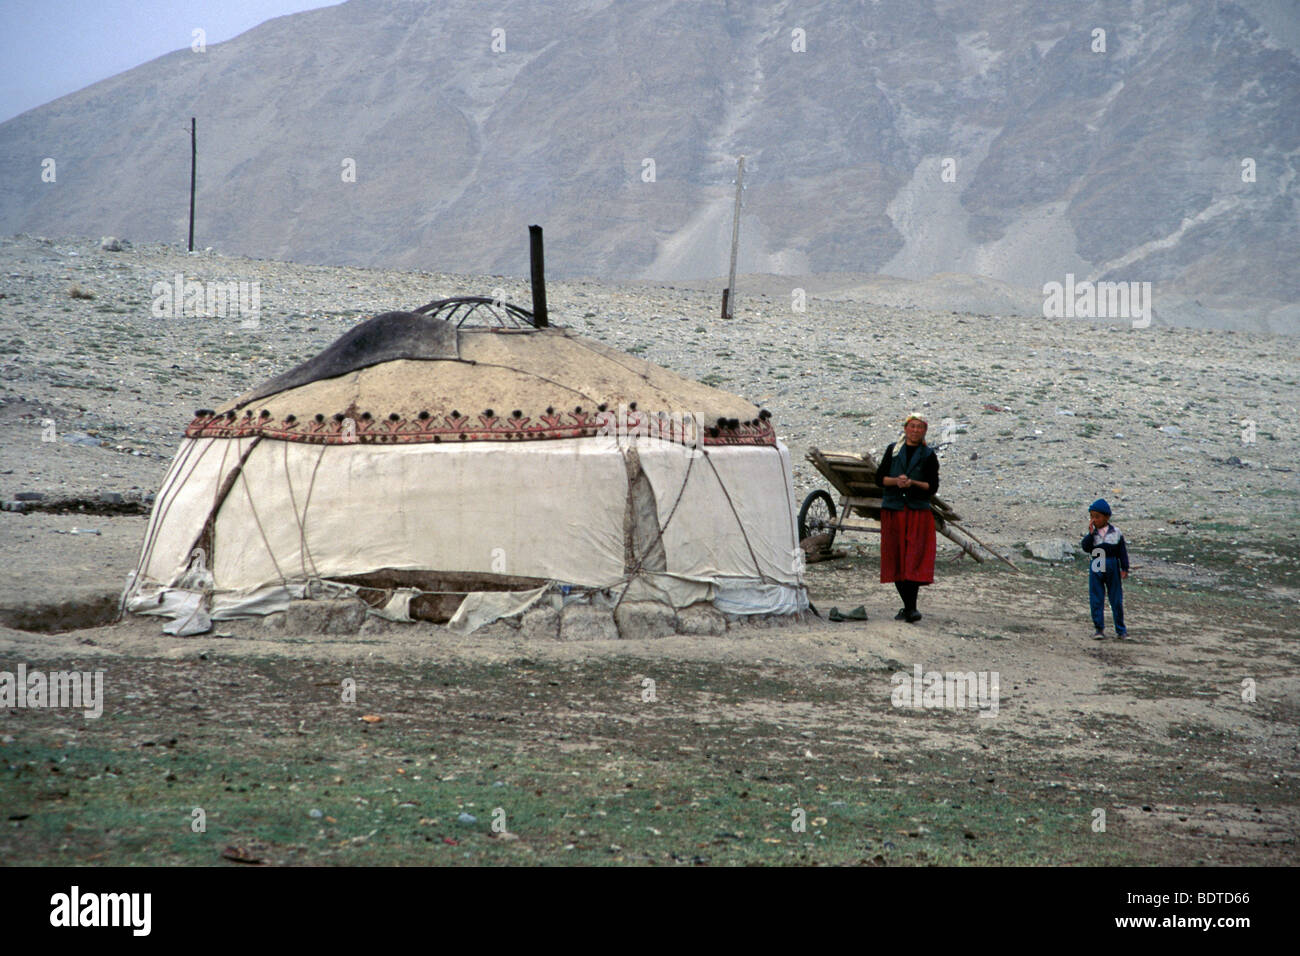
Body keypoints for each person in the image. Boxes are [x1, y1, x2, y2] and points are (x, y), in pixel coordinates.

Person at [876, 414, 939, 622]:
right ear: (905, 428)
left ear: (924, 431)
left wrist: (912, 483)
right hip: (894, 510)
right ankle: (910, 608)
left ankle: (910, 608)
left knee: (912, 558)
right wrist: (896, 481)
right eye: (912, 426)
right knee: (896, 557)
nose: (915, 430)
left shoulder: (928, 455)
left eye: (919, 427)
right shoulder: (893, 450)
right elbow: (879, 479)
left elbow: (932, 486)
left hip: (917, 512)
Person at [1081, 498, 1129, 639]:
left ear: (1106, 517)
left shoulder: (1116, 532)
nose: (1094, 520)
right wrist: (1090, 534)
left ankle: (1121, 630)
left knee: (1116, 598)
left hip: (1112, 563)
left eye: (1097, 517)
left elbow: (1122, 551)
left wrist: (1124, 567)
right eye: (1091, 517)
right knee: (1096, 596)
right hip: (1097, 560)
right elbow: (1086, 548)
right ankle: (1099, 629)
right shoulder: (1093, 534)